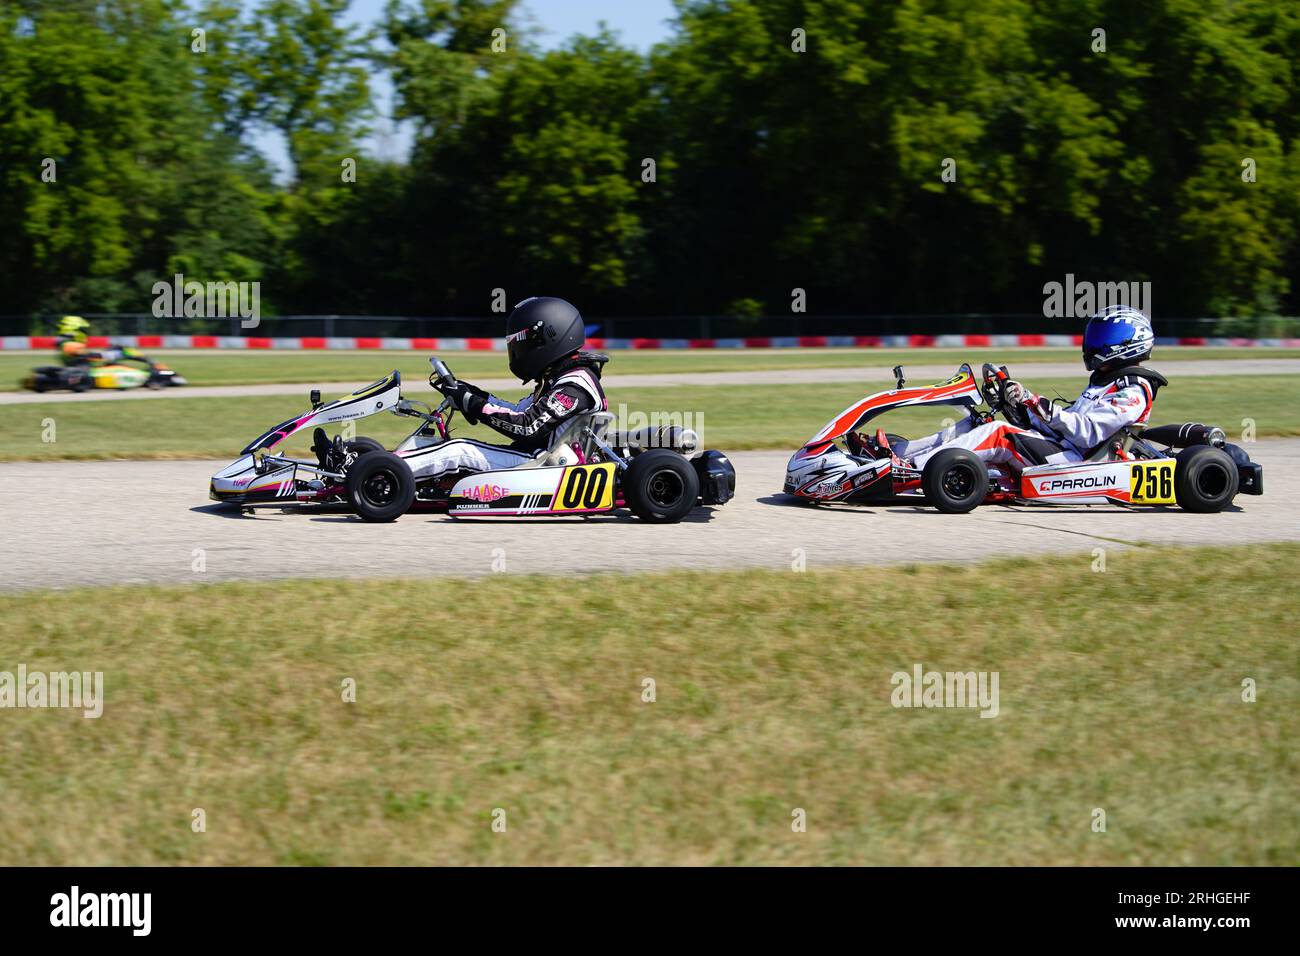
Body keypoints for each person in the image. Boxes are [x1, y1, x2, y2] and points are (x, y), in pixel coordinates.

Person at [868, 305, 1163, 470]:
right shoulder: (1105, 382)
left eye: (1104, 336)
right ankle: (900, 452)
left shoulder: (1134, 390)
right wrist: (1022, 404)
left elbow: (1087, 433)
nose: (1095, 344)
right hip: (1061, 449)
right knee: (979, 421)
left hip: (1080, 464)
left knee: (998, 433)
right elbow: (1060, 426)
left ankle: (911, 469)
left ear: (1126, 344)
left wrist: (1043, 408)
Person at [420, 296, 608, 482]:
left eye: (523, 343)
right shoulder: (561, 378)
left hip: (539, 465)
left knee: (456, 450)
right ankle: (397, 468)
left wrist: (472, 403)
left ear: (549, 337)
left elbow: (527, 427)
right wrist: (469, 392)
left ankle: (392, 470)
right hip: (535, 458)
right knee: (446, 446)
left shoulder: (575, 384)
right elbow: (518, 412)